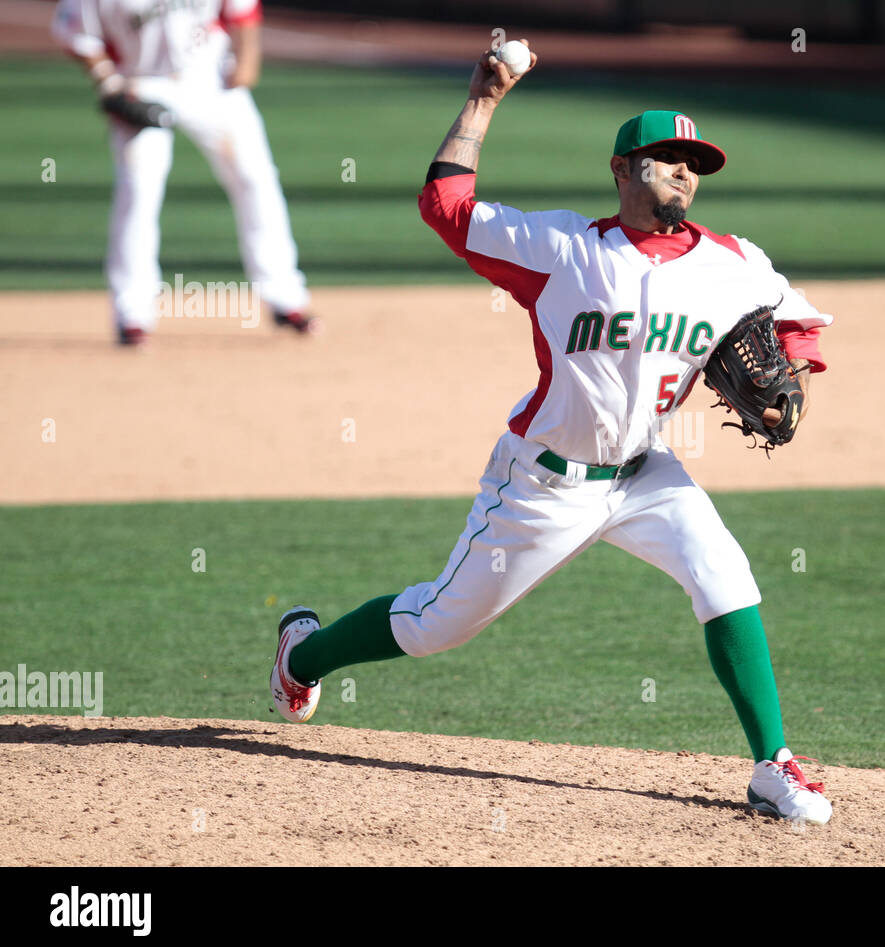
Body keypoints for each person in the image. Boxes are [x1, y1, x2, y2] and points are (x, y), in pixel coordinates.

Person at [270, 39, 835, 823]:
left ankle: (773, 765)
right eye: (665, 156)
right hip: (541, 483)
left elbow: (796, 322)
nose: (683, 170)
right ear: (621, 170)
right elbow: (448, 209)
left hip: (646, 475)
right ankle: (304, 653)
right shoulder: (565, 249)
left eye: (693, 160)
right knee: (437, 626)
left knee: (725, 576)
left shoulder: (734, 263)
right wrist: (483, 96)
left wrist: (790, 385)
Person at [51, 0, 316, 346]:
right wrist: (110, 85)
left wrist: (248, 57)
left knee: (256, 179)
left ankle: (286, 298)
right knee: (139, 192)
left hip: (211, 79)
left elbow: (243, 10)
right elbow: (76, 35)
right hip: (140, 84)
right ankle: (132, 313)